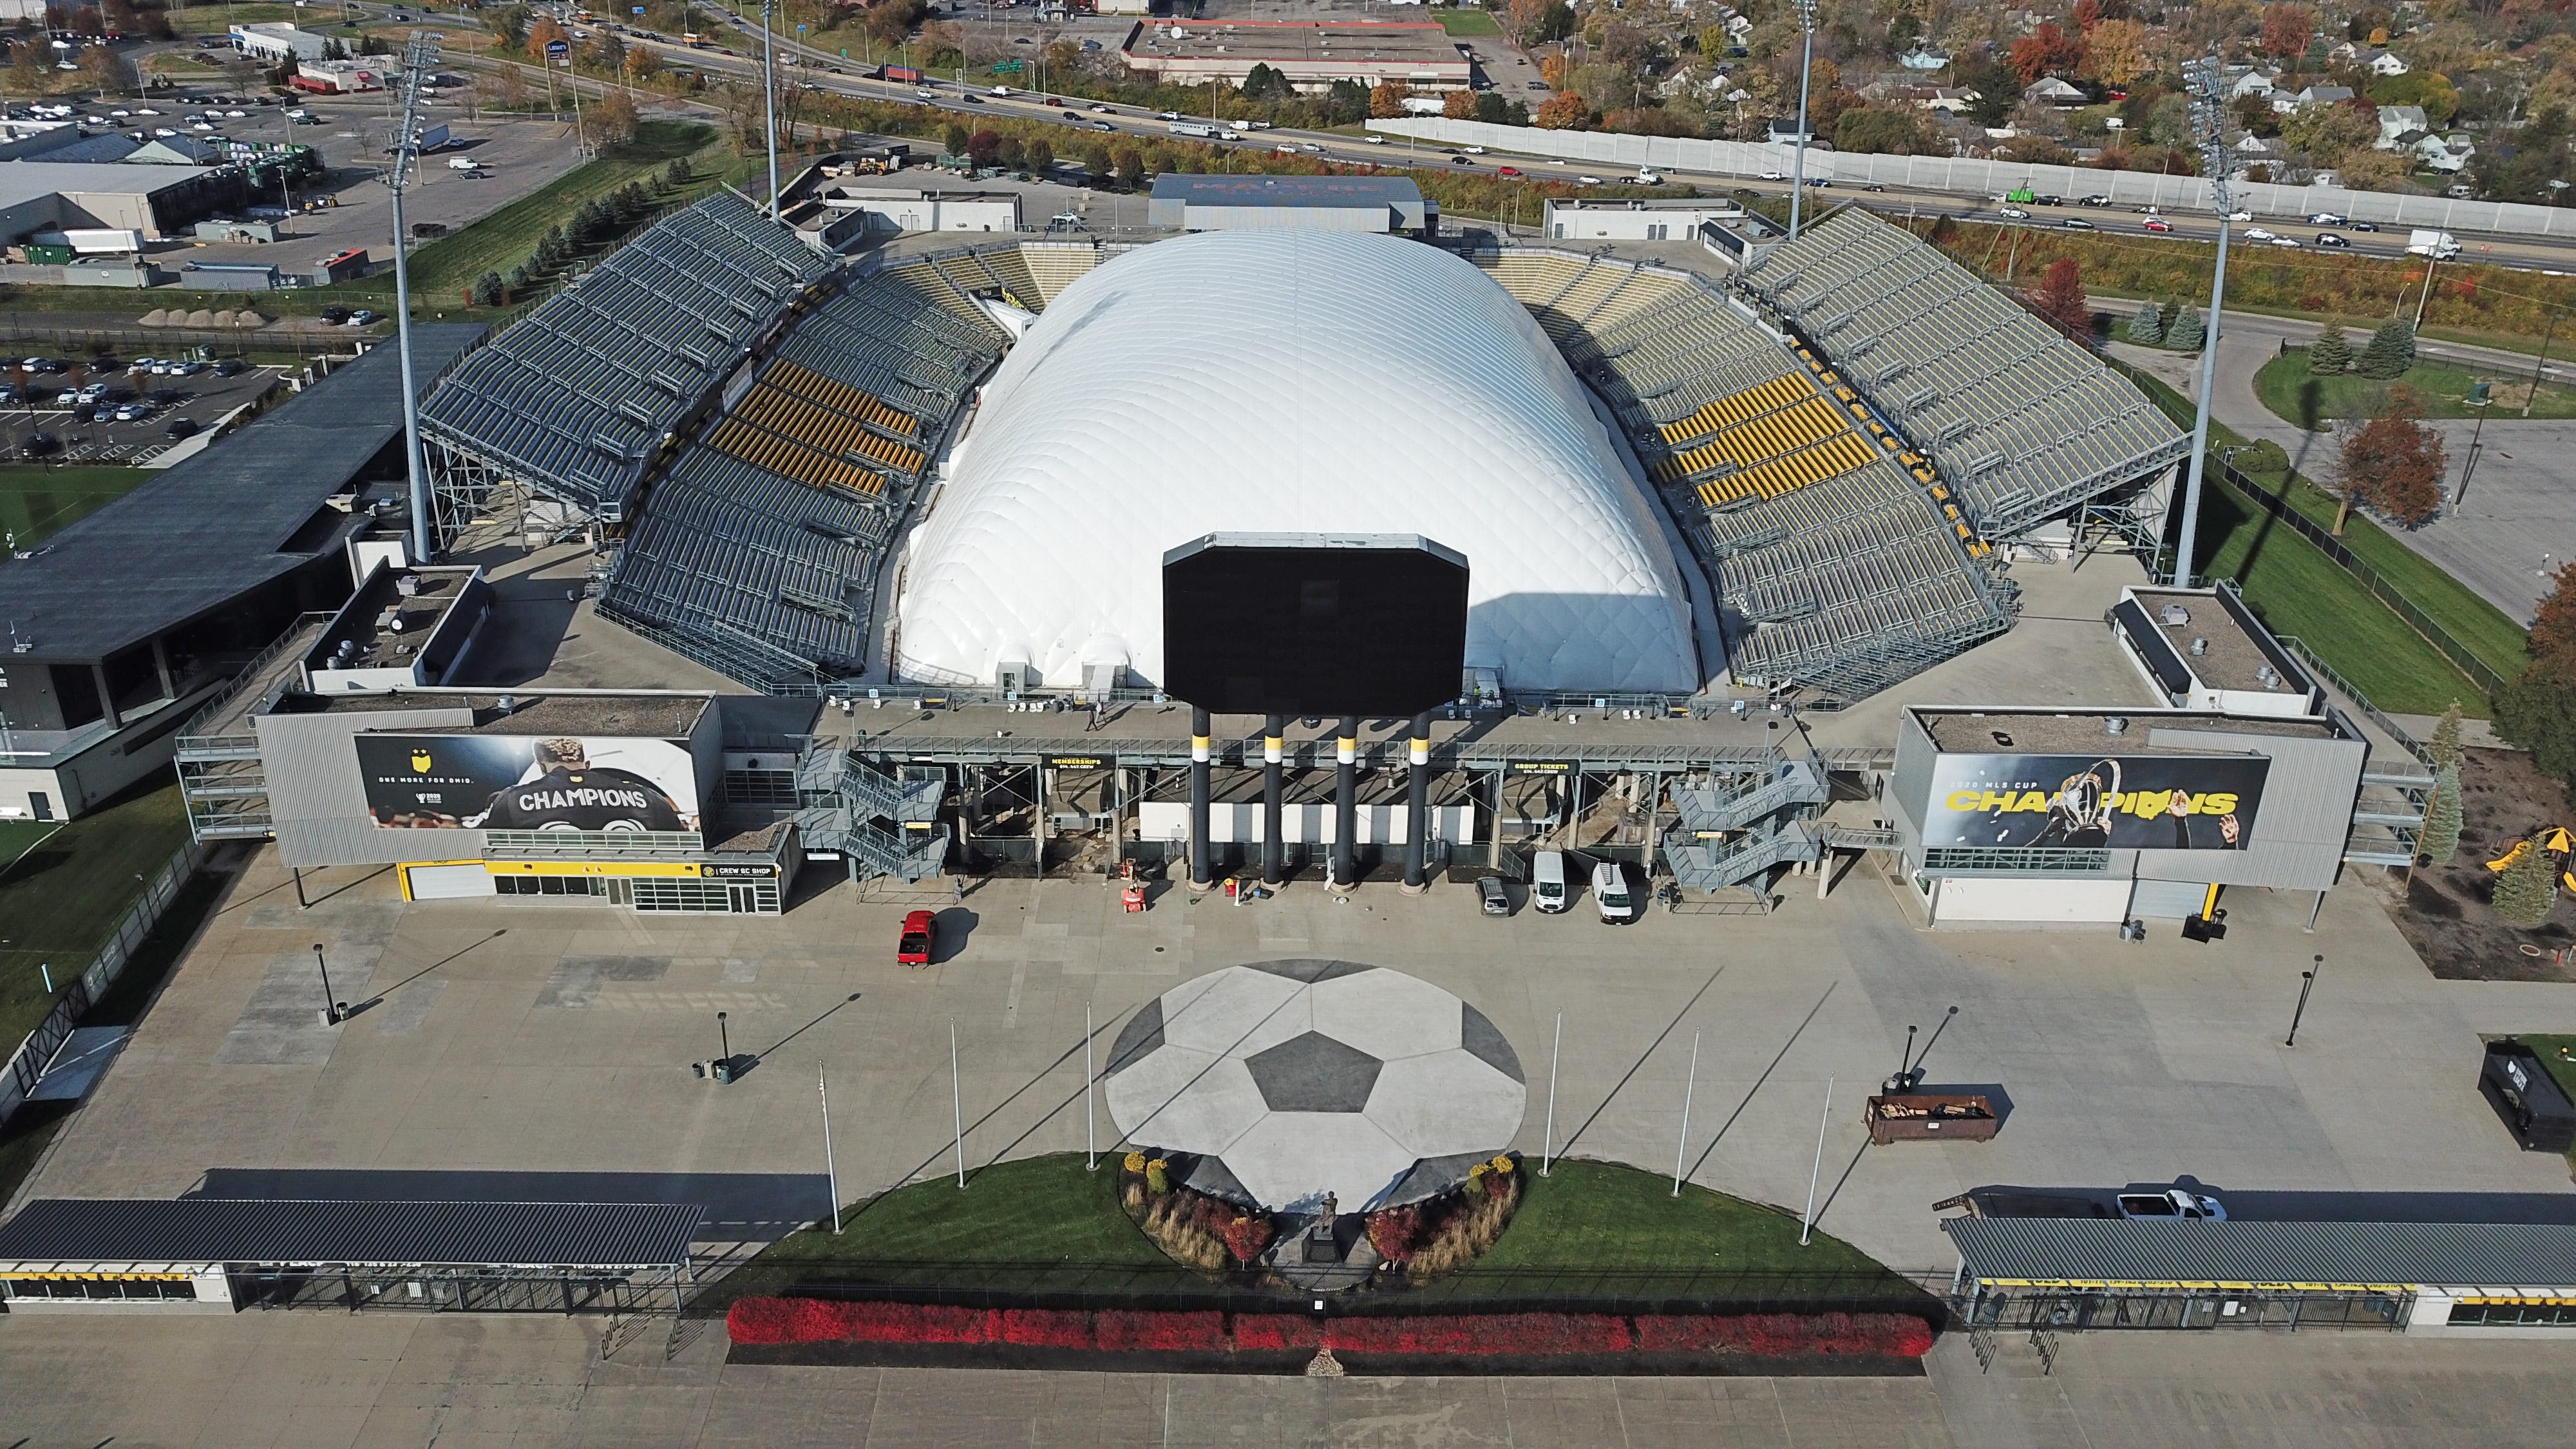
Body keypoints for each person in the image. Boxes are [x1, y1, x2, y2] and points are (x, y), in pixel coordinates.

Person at [469, 737, 688, 832]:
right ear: (589, 764)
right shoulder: (644, 795)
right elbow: (682, 839)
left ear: (541, 766)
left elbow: (485, 843)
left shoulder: (513, 800)